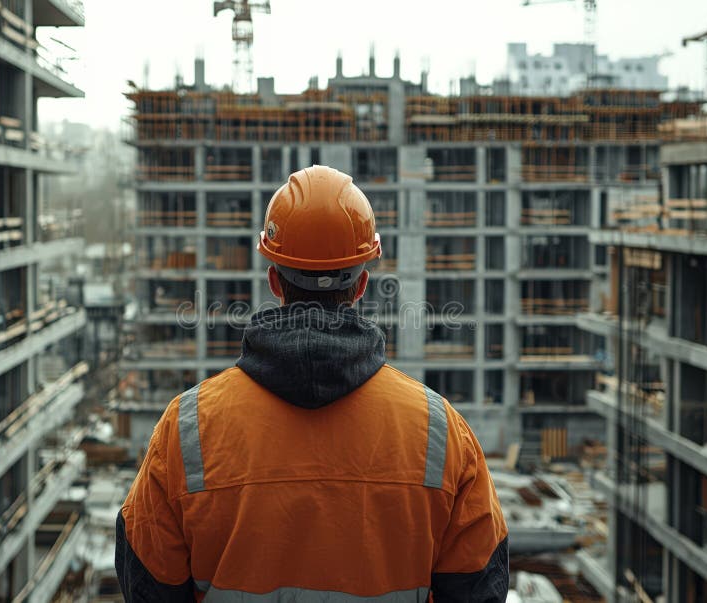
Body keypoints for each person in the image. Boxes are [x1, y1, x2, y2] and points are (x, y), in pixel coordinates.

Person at [115, 165, 509, 602]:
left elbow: (147, 586)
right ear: (361, 285)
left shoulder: (186, 429)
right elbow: (480, 588)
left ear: (274, 282)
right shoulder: (441, 432)